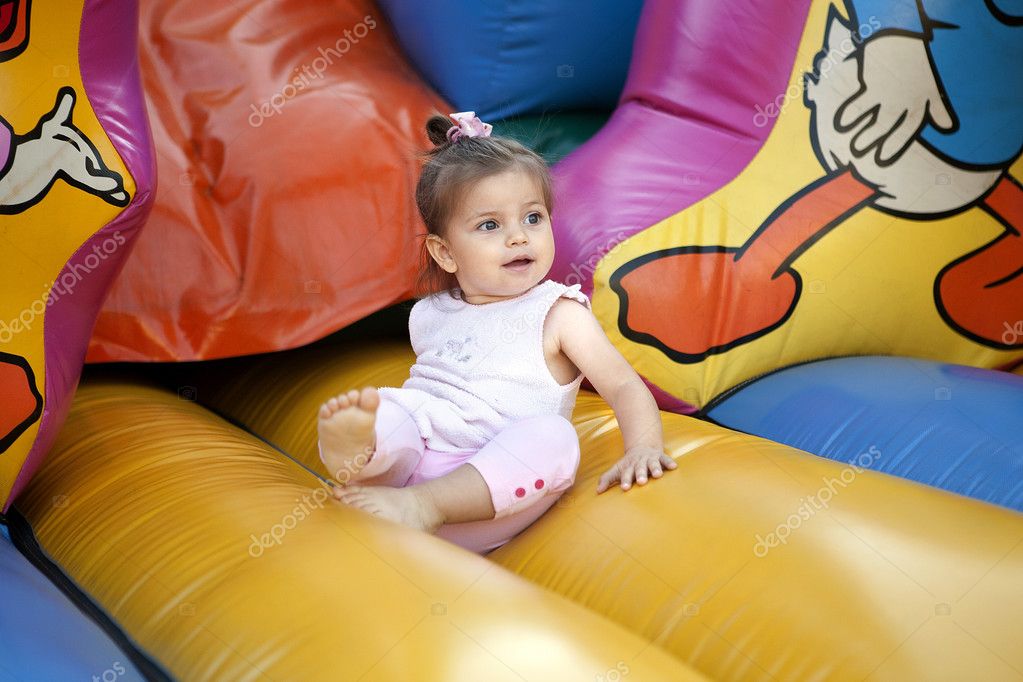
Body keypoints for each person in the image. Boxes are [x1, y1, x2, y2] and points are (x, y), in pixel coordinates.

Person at [317, 111, 676, 554]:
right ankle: (357, 450)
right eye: (490, 225)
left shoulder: (558, 314)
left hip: (487, 495)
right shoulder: (432, 313)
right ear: (445, 253)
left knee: (555, 438)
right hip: (400, 473)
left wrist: (643, 446)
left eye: (533, 218)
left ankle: (424, 502)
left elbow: (622, 385)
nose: (518, 237)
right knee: (392, 409)